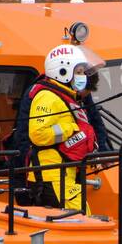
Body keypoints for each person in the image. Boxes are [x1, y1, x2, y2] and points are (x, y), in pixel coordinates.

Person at [26, 43, 97, 210]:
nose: (82, 77)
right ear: (63, 72)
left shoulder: (65, 97)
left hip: (63, 173)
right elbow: (38, 134)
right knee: (81, 217)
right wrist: (70, 129)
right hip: (52, 175)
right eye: (78, 72)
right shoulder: (47, 97)